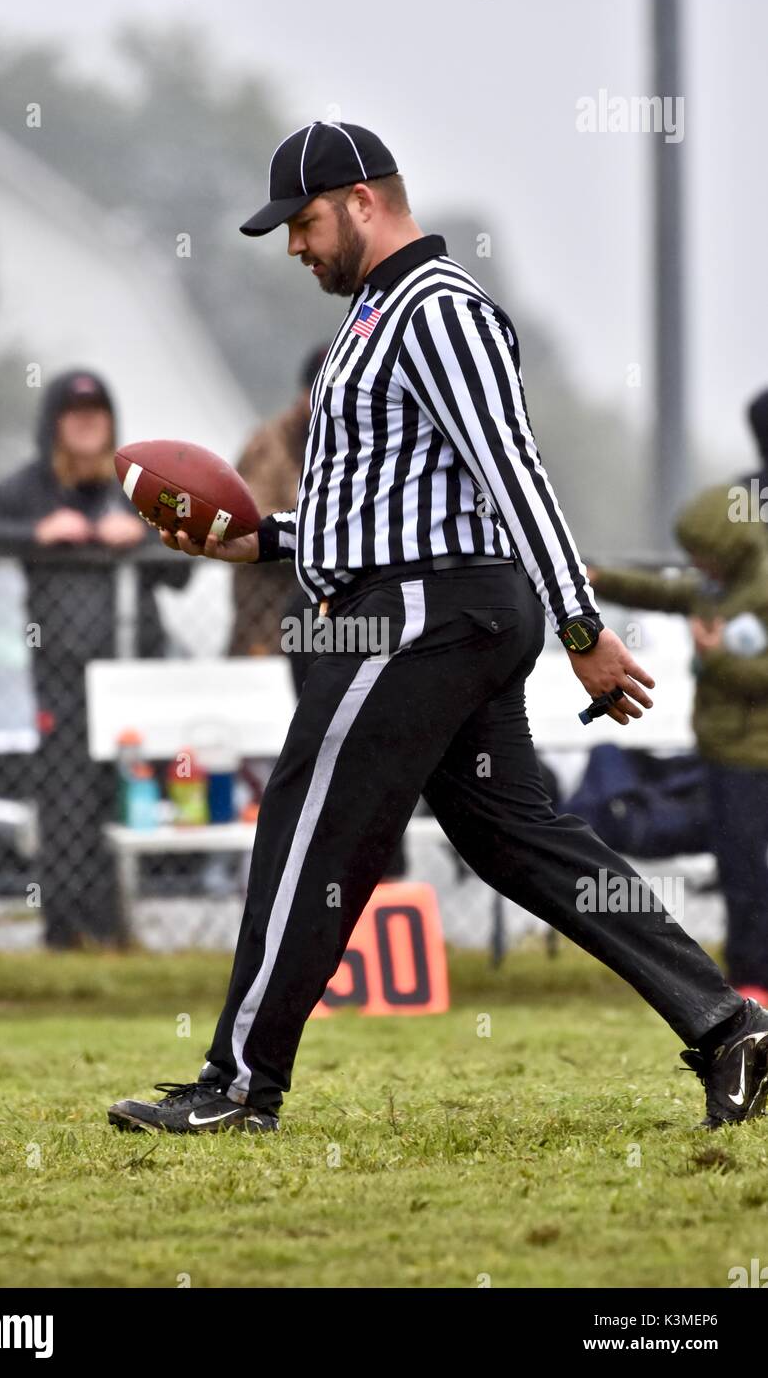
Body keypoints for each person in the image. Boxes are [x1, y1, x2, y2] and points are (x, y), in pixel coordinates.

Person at [108, 121, 768, 1135]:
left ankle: (237, 1088)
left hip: (421, 613)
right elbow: (379, 504)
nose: (294, 246)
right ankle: (728, 1028)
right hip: (432, 603)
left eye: (305, 221)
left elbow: (512, 471)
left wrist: (582, 624)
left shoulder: (434, 308)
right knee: (516, 839)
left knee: (303, 822)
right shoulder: (373, 318)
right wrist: (264, 541)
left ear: (365, 200)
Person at [0, 370, 190, 947]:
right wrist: (38, 532)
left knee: (134, 798)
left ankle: (118, 928)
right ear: (53, 425)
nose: (86, 423)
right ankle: (66, 933)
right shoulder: (32, 488)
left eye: (97, 414)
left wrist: (143, 535)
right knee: (67, 800)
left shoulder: (137, 485)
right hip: (63, 675)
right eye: (75, 414)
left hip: (135, 676)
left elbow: (187, 559)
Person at [586, 484, 768, 1003]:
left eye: (702, 555)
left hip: (754, 759)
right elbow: (664, 593)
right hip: (722, 754)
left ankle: (756, 977)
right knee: (737, 869)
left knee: (748, 873)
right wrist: (597, 581)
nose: (697, 565)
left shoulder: (761, 589)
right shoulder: (719, 586)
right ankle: (749, 974)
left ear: (727, 548)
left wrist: (718, 659)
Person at [229, 346, 327, 656]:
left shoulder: (361, 443)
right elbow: (249, 518)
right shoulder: (267, 446)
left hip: (333, 628)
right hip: (268, 627)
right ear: (306, 394)